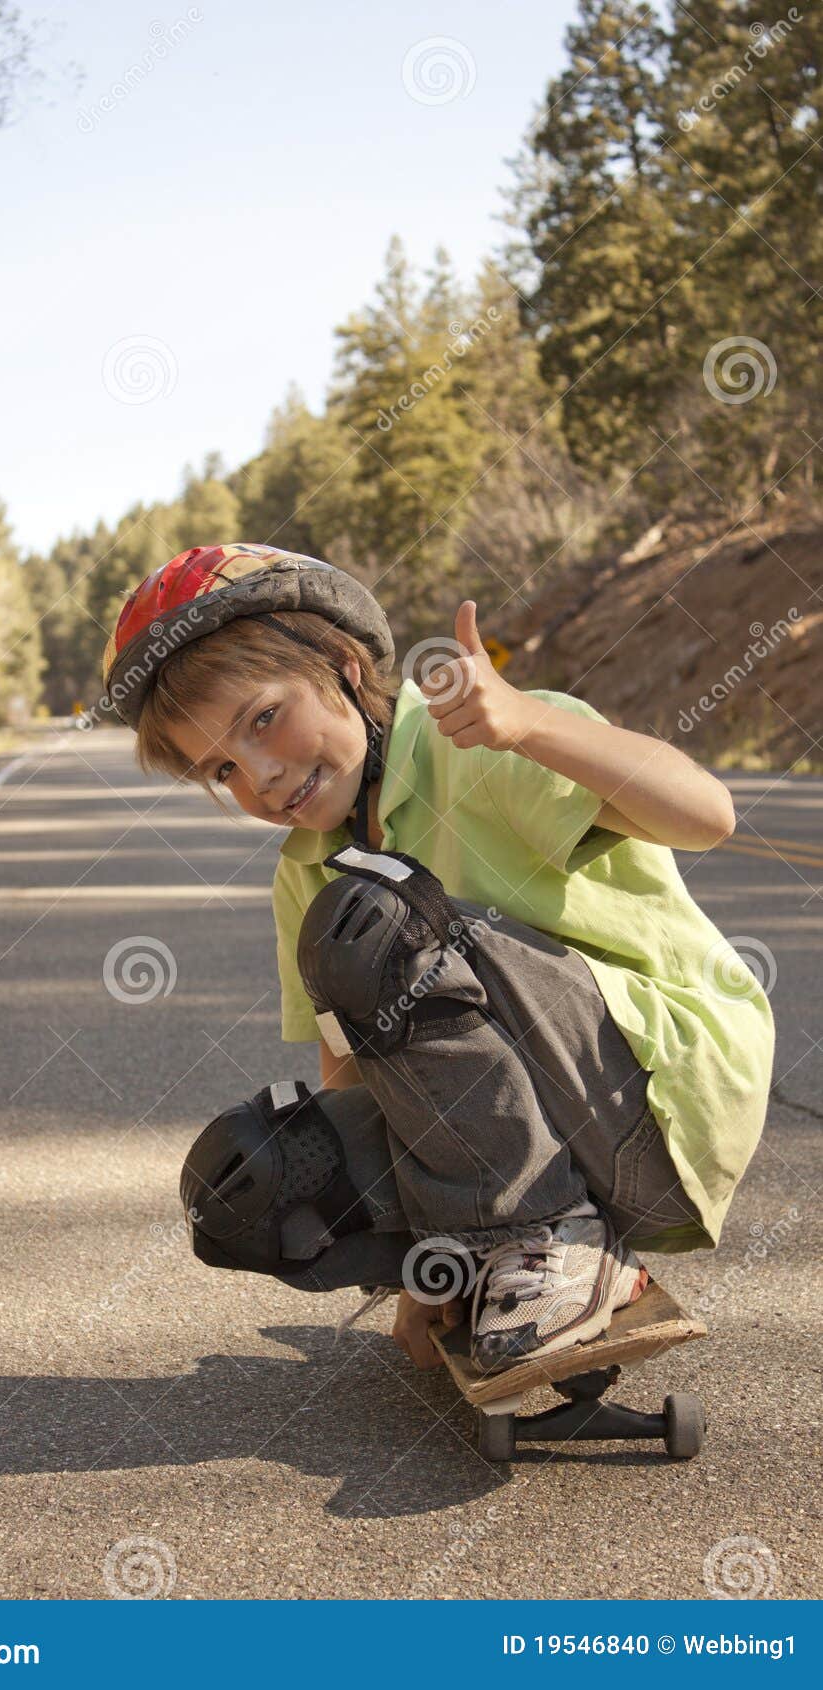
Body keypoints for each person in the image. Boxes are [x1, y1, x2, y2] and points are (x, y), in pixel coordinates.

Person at [102, 544, 775, 1374]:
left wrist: (529, 725)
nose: (262, 776)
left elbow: (707, 814)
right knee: (257, 1181)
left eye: (264, 718)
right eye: (223, 768)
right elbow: (353, 1064)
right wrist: (422, 1253)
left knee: (378, 923)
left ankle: (550, 1240)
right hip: (535, 1130)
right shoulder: (306, 867)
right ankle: (496, 1247)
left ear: (343, 665)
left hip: (648, 1111)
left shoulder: (482, 741)